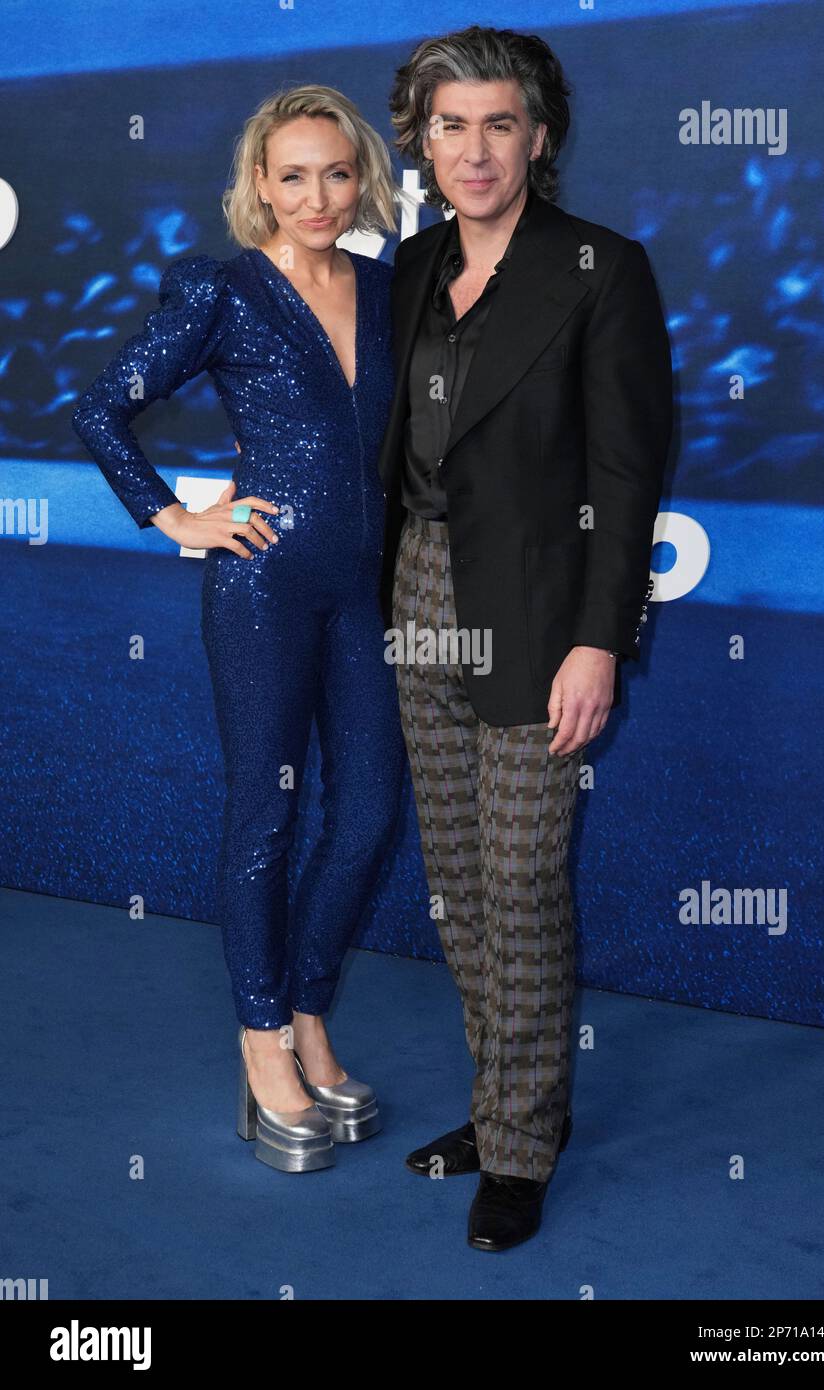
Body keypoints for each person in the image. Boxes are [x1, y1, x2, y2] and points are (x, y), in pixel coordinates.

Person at [72, 85, 407, 1174]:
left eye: (335, 173)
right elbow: (100, 405)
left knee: (363, 814)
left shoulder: (391, 290)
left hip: (364, 590)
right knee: (265, 815)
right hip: (260, 587)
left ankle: (309, 1014)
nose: (316, 195)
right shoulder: (219, 292)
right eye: (292, 175)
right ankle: (261, 1044)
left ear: (360, 178)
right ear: (258, 185)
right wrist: (177, 517)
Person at [379, 26, 673, 1249]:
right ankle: (494, 1101)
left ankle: (519, 1142)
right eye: (450, 126)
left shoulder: (602, 268)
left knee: (520, 878)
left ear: (539, 137)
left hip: (542, 616)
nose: (474, 149)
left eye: (499, 123)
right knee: (456, 883)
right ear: (423, 141)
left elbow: (627, 464)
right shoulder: (404, 266)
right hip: (415, 594)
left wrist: (598, 639)